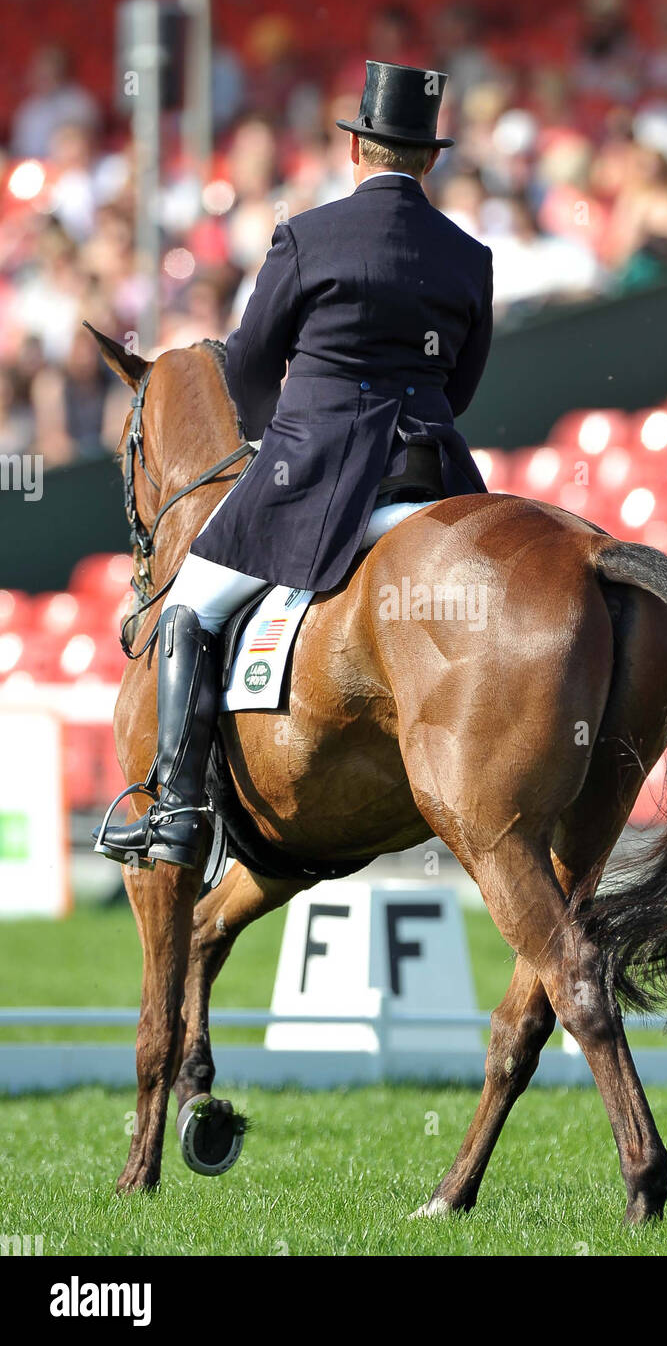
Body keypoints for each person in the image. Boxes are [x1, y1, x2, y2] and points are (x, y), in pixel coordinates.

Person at [95, 61, 494, 870]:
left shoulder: (307, 236)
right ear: (430, 159)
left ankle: (175, 809)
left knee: (189, 611)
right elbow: (463, 384)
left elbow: (246, 367)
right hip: (433, 474)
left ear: (357, 150)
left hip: (312, 481)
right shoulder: (468, 254)